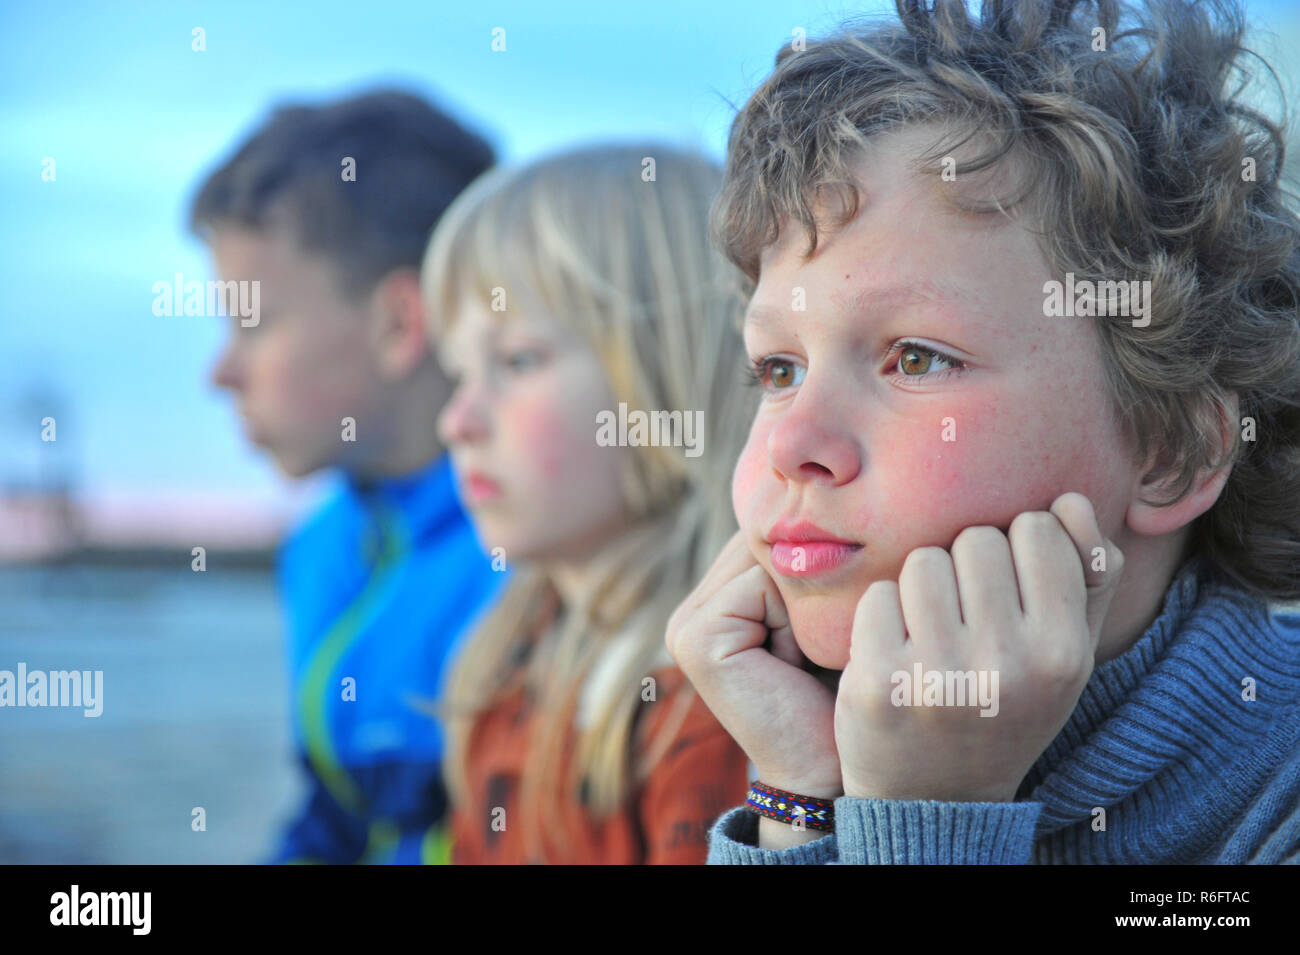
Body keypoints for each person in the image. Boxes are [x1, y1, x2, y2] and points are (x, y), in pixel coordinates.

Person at [668, 0, 1300, 863]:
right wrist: (804, 798)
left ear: (1172, 450)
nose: (791, 444)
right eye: (779, 371)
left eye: (916, 359)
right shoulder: (798, 729)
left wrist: (933, 819)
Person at [191, 89, 504, 863]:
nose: (219, 372)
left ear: (399, 323)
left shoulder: (538, 557)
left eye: (252, 323)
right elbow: (336, 818)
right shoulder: (322, 547)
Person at [421, 143, 756, 863]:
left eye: (515, 361)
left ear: (667, 374)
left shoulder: (725, 701)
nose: (457, 420)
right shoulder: (501, 664)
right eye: (457, 373)